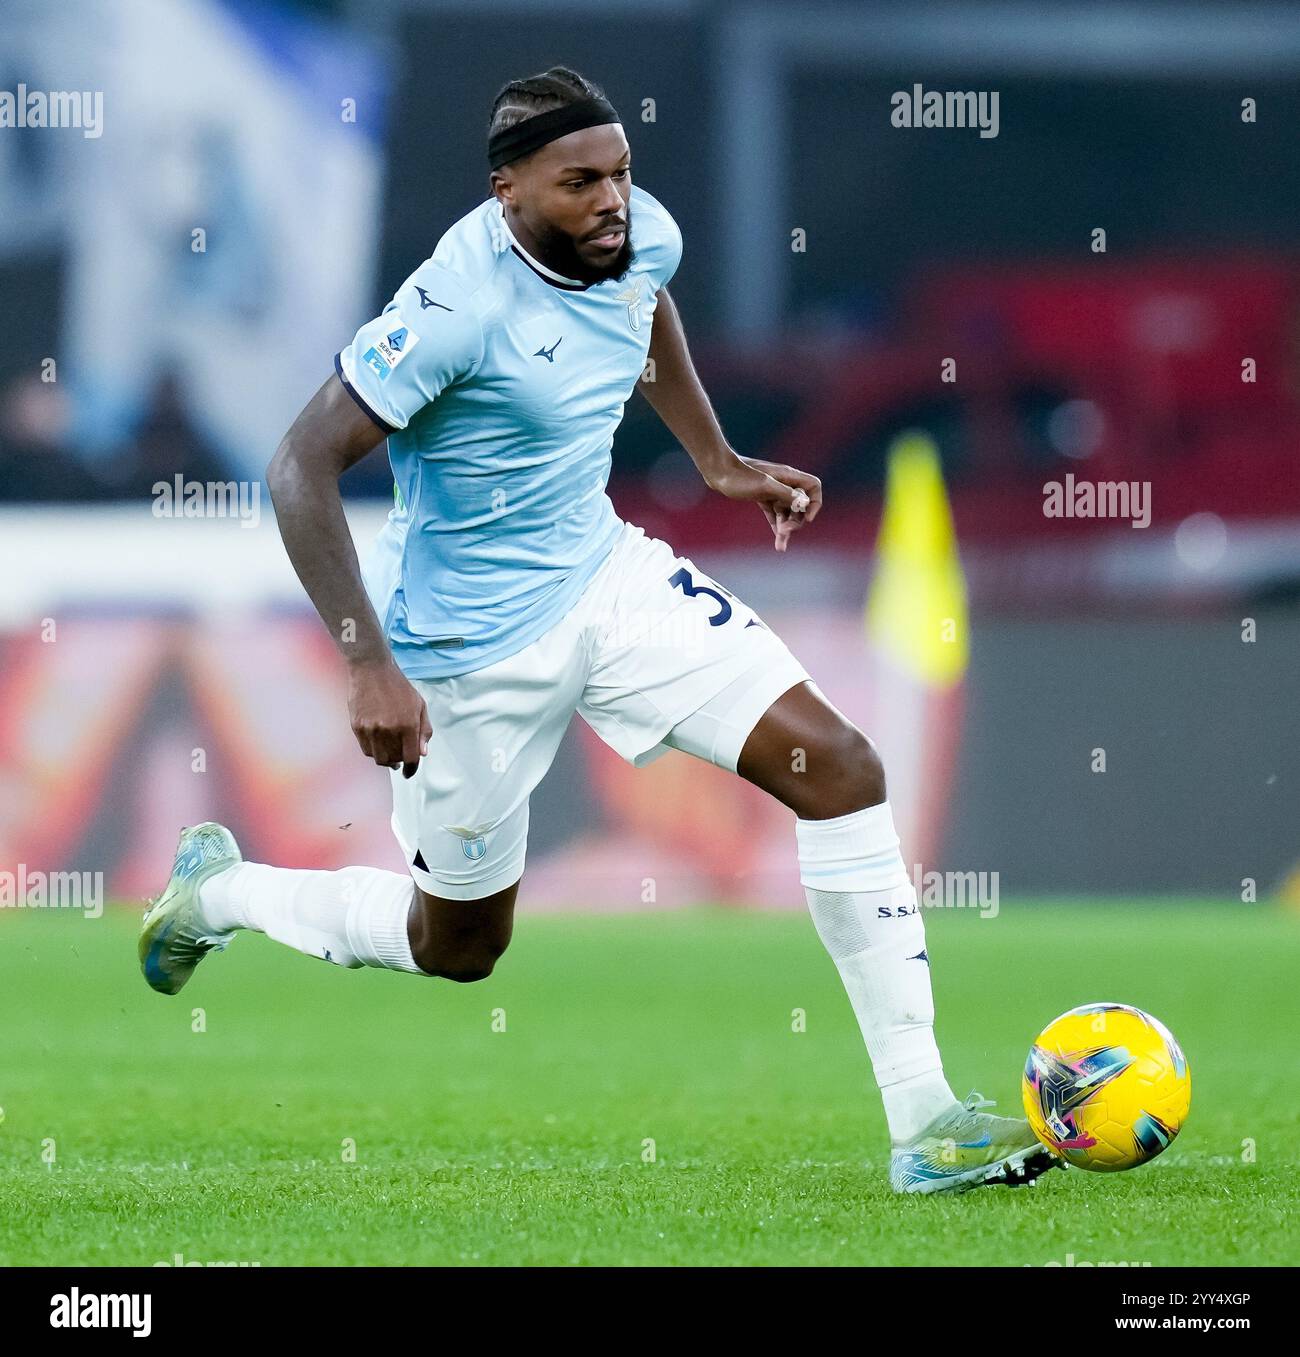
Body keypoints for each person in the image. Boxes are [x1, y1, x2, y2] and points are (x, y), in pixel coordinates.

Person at [139, 66, 1057, 1194]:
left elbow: (648, 305)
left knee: (842, 768)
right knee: (458, 948)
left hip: (608, 582)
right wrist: (368, 660)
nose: (612, 200)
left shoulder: (637, 235)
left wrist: (716, 460)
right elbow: (298, 469)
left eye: (620, 172)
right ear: (508, 189)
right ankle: (220, 893)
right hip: (465, 653)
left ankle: (924, 1121)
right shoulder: (450, 308)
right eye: (580, 182)